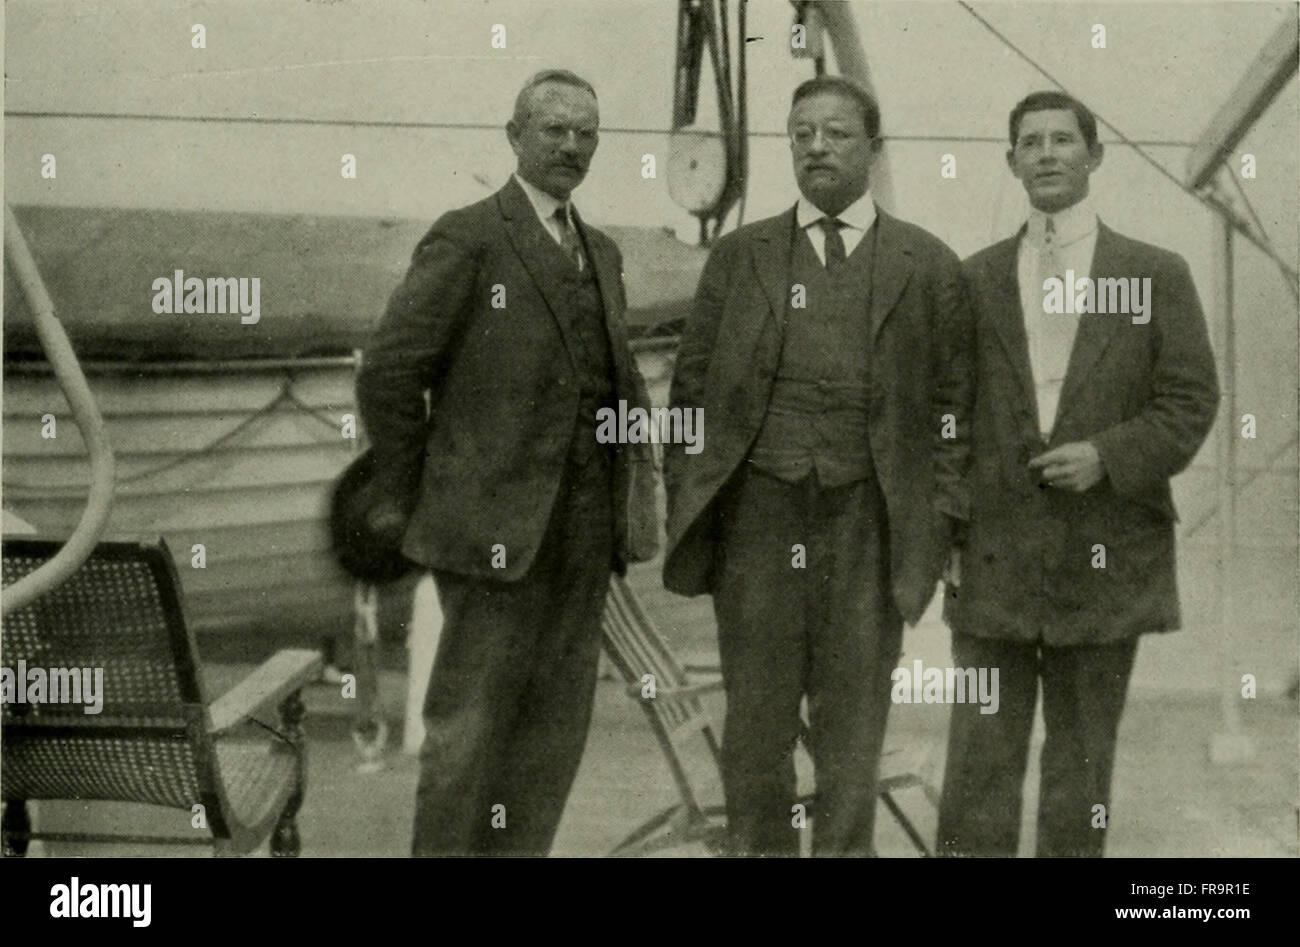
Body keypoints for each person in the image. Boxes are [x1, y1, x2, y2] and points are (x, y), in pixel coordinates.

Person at [663, 75, 974, 856]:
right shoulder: (741, 257)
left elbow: (953, 418)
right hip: (758, 526)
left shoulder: (929, 265)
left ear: (874, 146)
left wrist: (934, 534)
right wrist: (694, 493)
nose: (817, 148)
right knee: (757, 727)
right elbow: (691, 392)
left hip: (868, 527)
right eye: (802, 133)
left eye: (836, 133)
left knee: (852, 729)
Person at [356, 69, 653, 856]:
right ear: (514, 136)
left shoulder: (607, 255)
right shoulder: (470, 235)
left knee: (551, 741)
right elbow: (389, 373)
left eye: (587, 132)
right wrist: (421, 496)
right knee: (467, 741)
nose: (571, 145)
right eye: (554, 129)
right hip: (490, 543)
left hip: (584, 545)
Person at [937, 91, 1219, 857]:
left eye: (1065, 140)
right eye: (1031, 142)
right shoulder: (973, 279)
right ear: (1012, 162)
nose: (1049, 154)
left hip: (1107, 556)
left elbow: (1191, 400)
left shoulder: (1156, 273)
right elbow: (944, 414)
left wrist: (1108, 455)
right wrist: (953, 533)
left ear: (1095, 157)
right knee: (978, 763)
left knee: (1082, 768)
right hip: (994, 562)